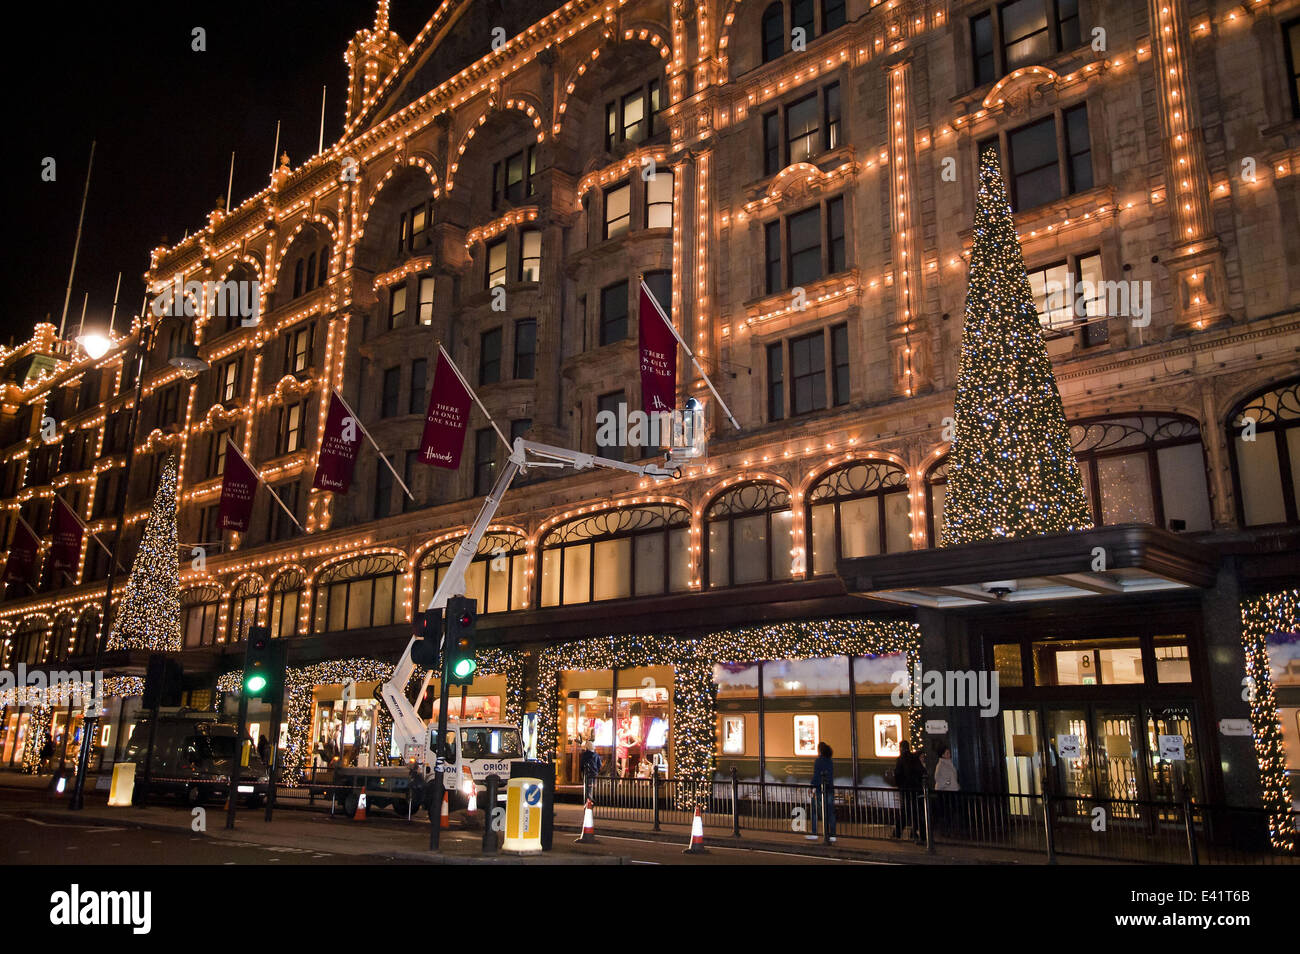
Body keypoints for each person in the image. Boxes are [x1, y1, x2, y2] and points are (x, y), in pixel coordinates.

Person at [892, 740, 927, 843]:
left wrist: (899, 786)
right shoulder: (914, 758)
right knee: (917, 812)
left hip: (906, 789)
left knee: (904, 812)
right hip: (916, 789)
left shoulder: (900, 759)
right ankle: (921, 834)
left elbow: (897, 774)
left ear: (901, 748)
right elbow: (922, 772)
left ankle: (898, 833)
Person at [809, 741, 836, 842]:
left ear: (819, 750)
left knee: (815, 811)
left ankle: (815, 833)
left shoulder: (818, 761)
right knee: (830, 812)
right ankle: (832, 835)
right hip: (830, 788)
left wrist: (812, 786)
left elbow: (816, 775)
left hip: (820, 789)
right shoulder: (830, 761)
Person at [932, 744, 958, 835]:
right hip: (946, 791)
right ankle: (946, 830)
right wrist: (948, 783)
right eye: (947, 753)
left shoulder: (948, 763)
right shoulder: (941, 765)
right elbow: (938, 778)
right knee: (947, 812)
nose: (949, 754)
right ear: (942, 755)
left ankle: (949, 829)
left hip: (951, 790)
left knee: (950, 812)